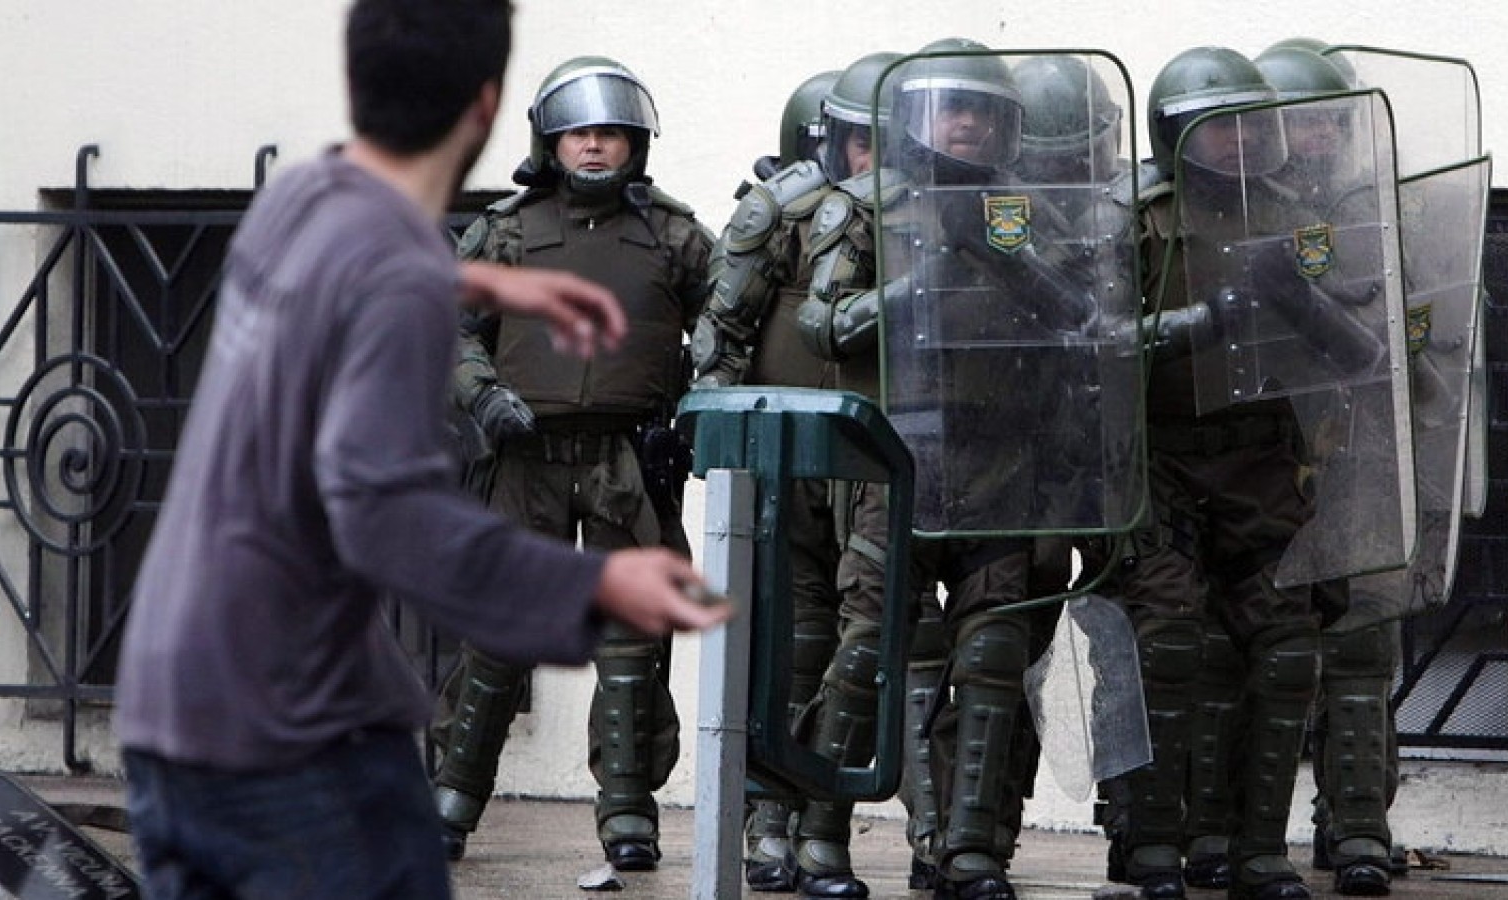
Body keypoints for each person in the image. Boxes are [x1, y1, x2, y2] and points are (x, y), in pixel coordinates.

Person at [112, 2, 728, 899]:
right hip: (292, 743)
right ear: (489, 107)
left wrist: (460, 275)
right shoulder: (398, 269)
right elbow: (386, 516)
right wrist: (593, 584)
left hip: (172, 709)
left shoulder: (299, 201)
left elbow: (343, 268)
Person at [795, 39, 1105, 900]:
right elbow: (825, 325)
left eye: (983, 109)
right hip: (895, 460)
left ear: (1007, 122)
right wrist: (918, 280)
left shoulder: (1035, 210)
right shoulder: (861, 207)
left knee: (994, 656)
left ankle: (967, 849)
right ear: (913, 119)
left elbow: (1087, 320)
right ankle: (822, 837)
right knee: (866, 651)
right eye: (949, 107)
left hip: (1005, 461)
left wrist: (1011, 259)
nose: (965, 123)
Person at [429, 55, 716, 869]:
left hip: (630, 458)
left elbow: (729, 328)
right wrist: (483, 395)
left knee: (633, 640)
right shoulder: (507, 232)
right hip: (526, 455)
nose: (594, 147)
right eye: (579, 133)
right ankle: (451, 800)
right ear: (550, 142)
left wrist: (699, 410)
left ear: (635, 144)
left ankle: (628, 812)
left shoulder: (674, 235)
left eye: (610, 134)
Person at [1097, 46, 1328, 900]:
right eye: (1213, 125)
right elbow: (1092, 339)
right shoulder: (1136, 218)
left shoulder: (1296, 215)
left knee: (1285, 646)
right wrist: (1198, 322)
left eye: (1244, 123)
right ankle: (1152, 839)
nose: (1233, 141)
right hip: (1159, 459)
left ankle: (1255, 845)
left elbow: (1353, 337)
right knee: (1165, 638)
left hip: (1264, 459)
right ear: (1173, 133)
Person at [691, 53, 910, 894]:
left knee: (867, 636)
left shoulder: (913, 217)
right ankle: (766, 827)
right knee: (787, 643)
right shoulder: (775, 213)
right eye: (860, 142)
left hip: (874, 462)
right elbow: (720, 341)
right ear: (826, 140)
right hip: (783, 460)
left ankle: (823, 822)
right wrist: (726, 468)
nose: (874, 160)